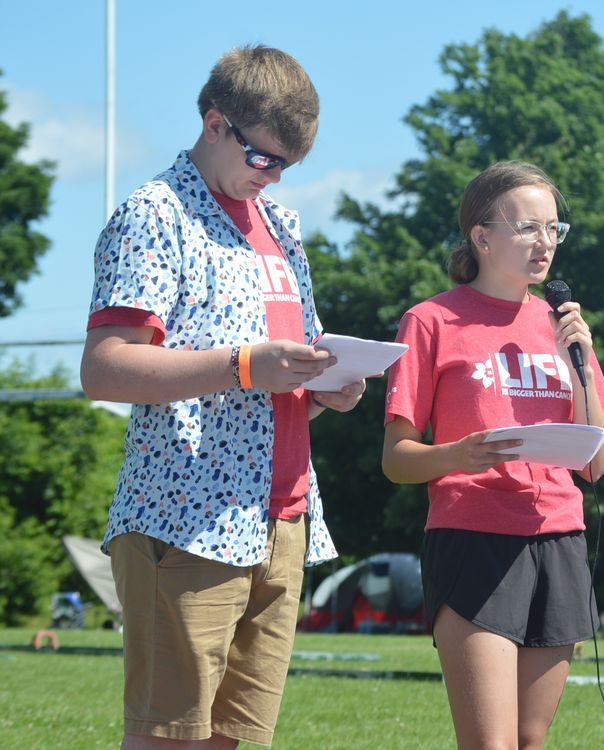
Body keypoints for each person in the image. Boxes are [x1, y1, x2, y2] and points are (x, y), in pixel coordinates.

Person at [80, 45, 369, 749]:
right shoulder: (154, 214)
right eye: (263, 158)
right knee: (167, 737)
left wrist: (330, 384)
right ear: (215, 124)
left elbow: (285, 356)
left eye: (285, 168)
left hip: (283, 517)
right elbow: (106, 369)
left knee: (235, 740)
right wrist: (245, 367)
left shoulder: (282, 226)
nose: (269, 178)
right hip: (187, 515)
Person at [382, 161, 604, 749]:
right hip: (473, 538)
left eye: (554, 229)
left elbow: (596, 464)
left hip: (559, 537)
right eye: (528, 228)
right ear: (482, 236)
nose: (545, 243)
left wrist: (580, 365)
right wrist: (459, 454)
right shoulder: (430, 321)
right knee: (490, 742)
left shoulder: (564, 328)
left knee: (529, 740)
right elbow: (396, 459)